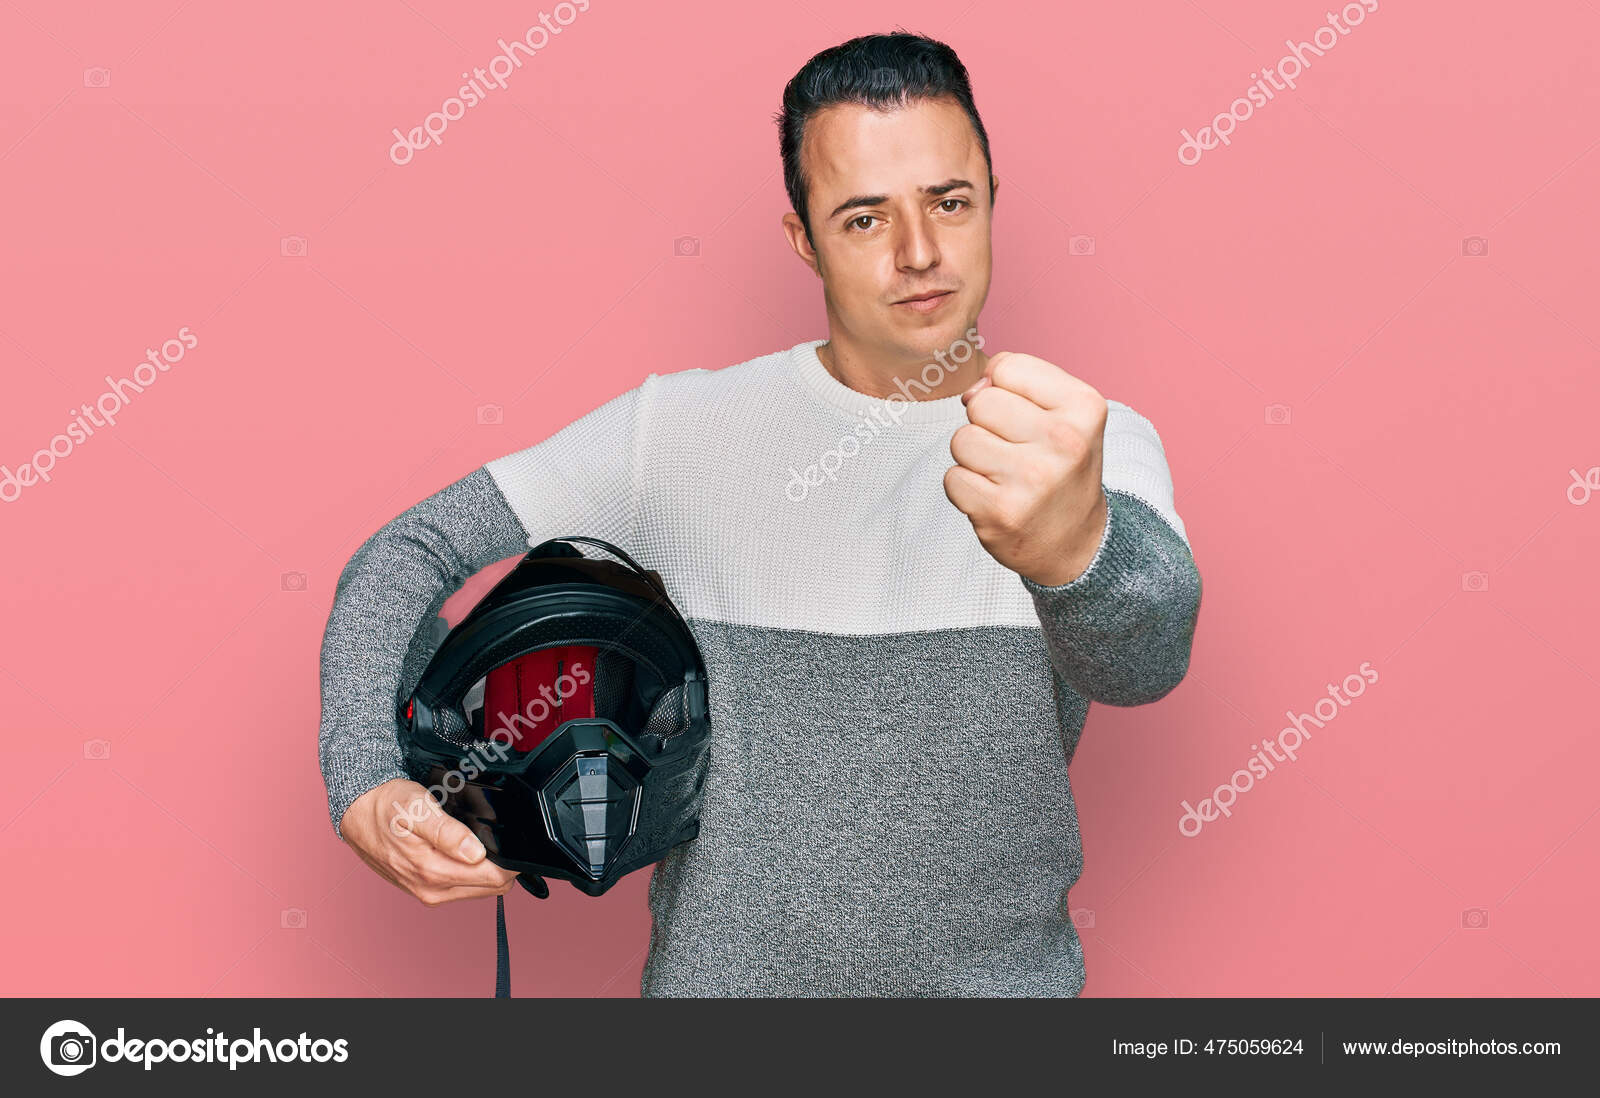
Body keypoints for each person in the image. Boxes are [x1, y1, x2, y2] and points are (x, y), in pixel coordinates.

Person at [319, 31, 1202, 997]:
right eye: (865, 219)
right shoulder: (677, 430)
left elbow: (1144, 665)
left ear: (992, 198)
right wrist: (365, 781)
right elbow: (409, 552)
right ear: (805, 239)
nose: (919, 252)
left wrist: (1071, 553)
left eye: (949, 203)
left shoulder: (1083, 440)